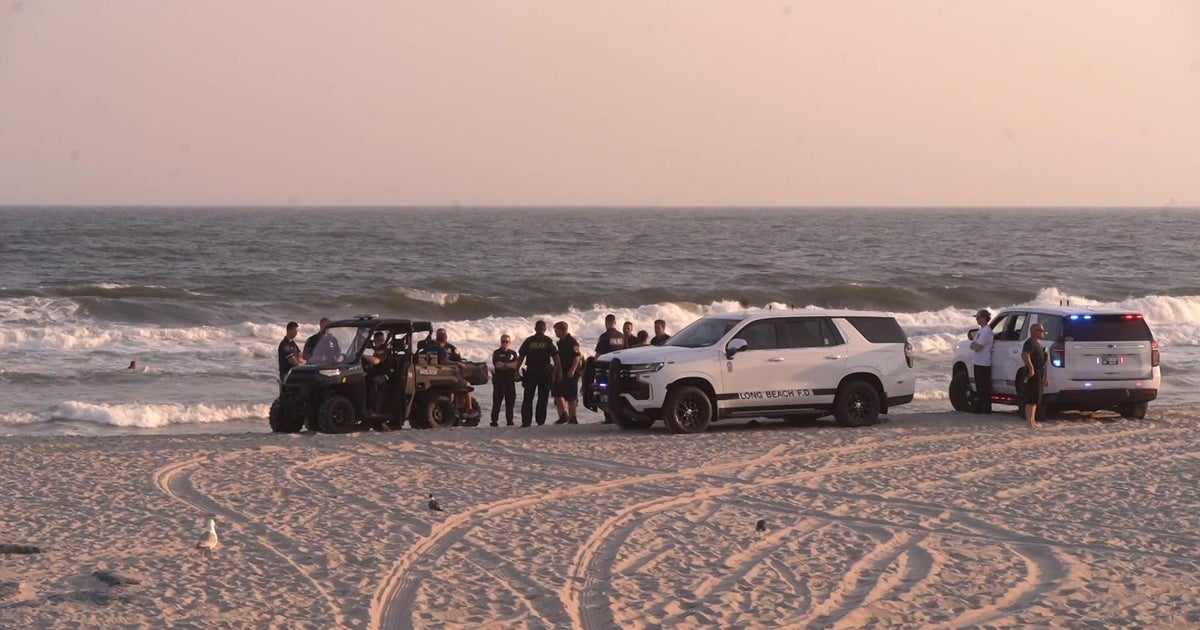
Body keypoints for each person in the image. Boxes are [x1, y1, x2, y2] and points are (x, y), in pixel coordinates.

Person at [515, 320, 556, 427]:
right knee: (543, 397)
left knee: (528, 397)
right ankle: (540, 421)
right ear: (545, 329)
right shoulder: (548, 341)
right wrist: (557, 372)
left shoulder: (529, 341)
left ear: (535, 329)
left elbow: (521, 357)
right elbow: (556, 358)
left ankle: (526, 422)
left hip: (531, 371)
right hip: (544, 371)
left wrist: (516, 370)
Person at [593, 314, 627, 423]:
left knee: (605, 392)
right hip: (619, 370)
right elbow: (627, 352)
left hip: (605, 370)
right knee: (618, 391)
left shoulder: (604, 337)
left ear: (606, 323)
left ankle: (608, 417)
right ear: (615, 323)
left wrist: (593, 368)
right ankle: (618, 416)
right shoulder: (622, 336)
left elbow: (598, 355)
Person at [552, 322, 582, 424]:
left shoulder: (572, 342)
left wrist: (572, 370)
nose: (555, 332)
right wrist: (556, 371)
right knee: (557, 392)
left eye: (557, 330)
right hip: (562, 371)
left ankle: (573, 417)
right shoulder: (559, 343)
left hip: (571, 372)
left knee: (571, 395)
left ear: (563, 330)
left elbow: (577, 356)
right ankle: (563, 415)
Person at [1022, 323, 1049, 428]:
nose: (1043, 333)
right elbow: (1025, 354)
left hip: (1040, 375)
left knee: (1036, 399)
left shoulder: (1038, 343)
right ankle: (1029, 423)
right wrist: (1030, 367)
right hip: (1033, 375)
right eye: (1040, 330)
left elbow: (1042, 362)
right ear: (1033, 331)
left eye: (1043, 331)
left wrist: (1046, 377)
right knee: (1031, 399)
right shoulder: (1030, 342)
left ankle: (1033, 421)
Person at [969, 309, 994, 414]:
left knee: (983, 387)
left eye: (978, 317)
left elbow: (978, 346)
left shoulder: (986, 331)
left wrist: (974, 345)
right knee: (980, 386)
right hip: (978, 361)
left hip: (983, 362)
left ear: (984, 318)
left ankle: (985, 408)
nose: (976, 319)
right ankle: (982, 407)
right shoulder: (981, 330)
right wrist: (974, 345)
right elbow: (973, 344)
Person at [490, 334, 519, 427]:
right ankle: (494, 421)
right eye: (503, 341)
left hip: (510, 381)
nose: (504, 343)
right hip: (499, 381)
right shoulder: (497, 353)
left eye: (506, 341)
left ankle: (509, 421)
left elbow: (516, 365)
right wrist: (509, 365)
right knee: (497, 403)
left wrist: (505, 365)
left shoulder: (513, 353)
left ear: (510, 342)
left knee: (510, 403)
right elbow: (497, 365)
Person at [362, 331, 392, 415]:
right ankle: (366, 406)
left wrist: (363, 355)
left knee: (373, 382)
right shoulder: (378, 350)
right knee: (364, 379)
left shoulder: (383, 351)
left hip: (385, 376)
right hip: (378, 373)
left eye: (378, 340)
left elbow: (376, 361)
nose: (376, 342)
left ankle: (375, 410)